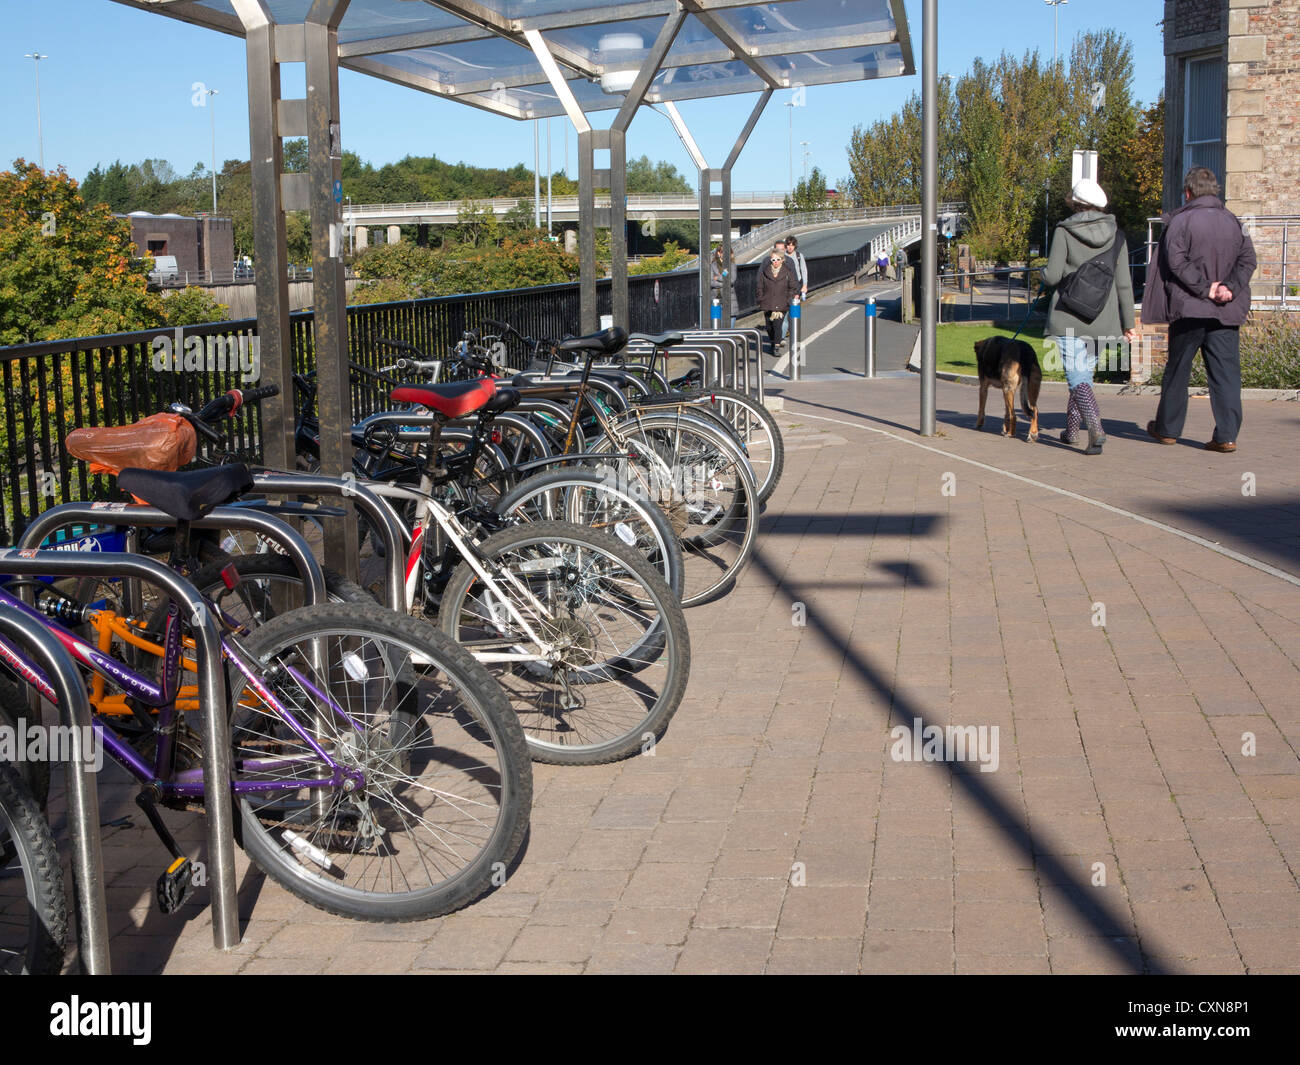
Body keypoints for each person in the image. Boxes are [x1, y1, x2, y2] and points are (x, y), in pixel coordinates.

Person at [1147, 166, 1257, 453]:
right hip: (1226, 310)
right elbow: (1248, 259)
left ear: (1188, 192)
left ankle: (1167, 430)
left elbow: (1176, 261)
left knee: (1178, 370)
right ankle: (1227, 436)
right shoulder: (1235, 221)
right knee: (1227, 375)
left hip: (1190, 308)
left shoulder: (1180, 221)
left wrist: (1204, 288)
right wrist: (1229, 287)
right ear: (1215, 191)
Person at [1042, 177, 1136, 455]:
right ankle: (1071, 432)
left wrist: (1042, 274)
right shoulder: (1117, 235)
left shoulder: (1064, 231)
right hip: (1102, 319)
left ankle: (1095, 426)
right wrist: (1128, 324)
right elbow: (1124, 284)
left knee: (1076, 374)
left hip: (1068, 314)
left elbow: (1053, 276)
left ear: (1076, 203)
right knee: (1083, 374)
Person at [757, 241, 799, 356]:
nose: (775, 262)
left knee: (778, 325)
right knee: (769, 326)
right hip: (768, 302)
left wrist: (789, 298)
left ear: (782, 260)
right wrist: (760, 297)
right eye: (773, 260)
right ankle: (773, 341)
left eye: (778, 260)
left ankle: (776, 346)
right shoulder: (766, 271)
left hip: (781, 303)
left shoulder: (787, 272)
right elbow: (759, 285)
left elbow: (793, 286)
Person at [710, 246, 738, 326]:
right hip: (716, 299)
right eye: (722, 252)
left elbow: (732, 280)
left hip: (729, 299)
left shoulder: (732, 265)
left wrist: (718, 277)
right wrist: (724, 280)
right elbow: (710, 282)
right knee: (716, 327)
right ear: (718, 253)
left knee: (729, 329)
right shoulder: (712, 265)